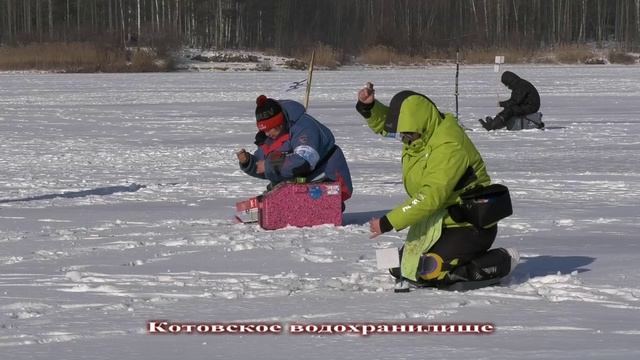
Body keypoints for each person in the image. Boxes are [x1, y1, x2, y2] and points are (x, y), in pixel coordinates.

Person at [356, 84, 518, 287]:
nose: (405, 139)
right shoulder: (421, 136)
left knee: (433, 272)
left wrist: (388, 222)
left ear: (421, 125)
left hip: (468, 225)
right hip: (437, 222)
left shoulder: (449, 146)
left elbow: (431, 196)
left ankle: (502, 260)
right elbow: (387, 127)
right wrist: (369, 108)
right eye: (403, 134)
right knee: (400, 268)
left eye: (408, 134)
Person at [236, 95, 353, 208]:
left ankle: (328, 209)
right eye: (263, 130)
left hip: (328, 177)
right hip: (300, 181)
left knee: (311, 205)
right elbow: (262, 166)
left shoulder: (305, 127)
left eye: (269, 128)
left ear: (279, 123)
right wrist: (249, 162)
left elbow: (304, 162)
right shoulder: (272, 136)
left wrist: (269, 165)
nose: (267, 134)